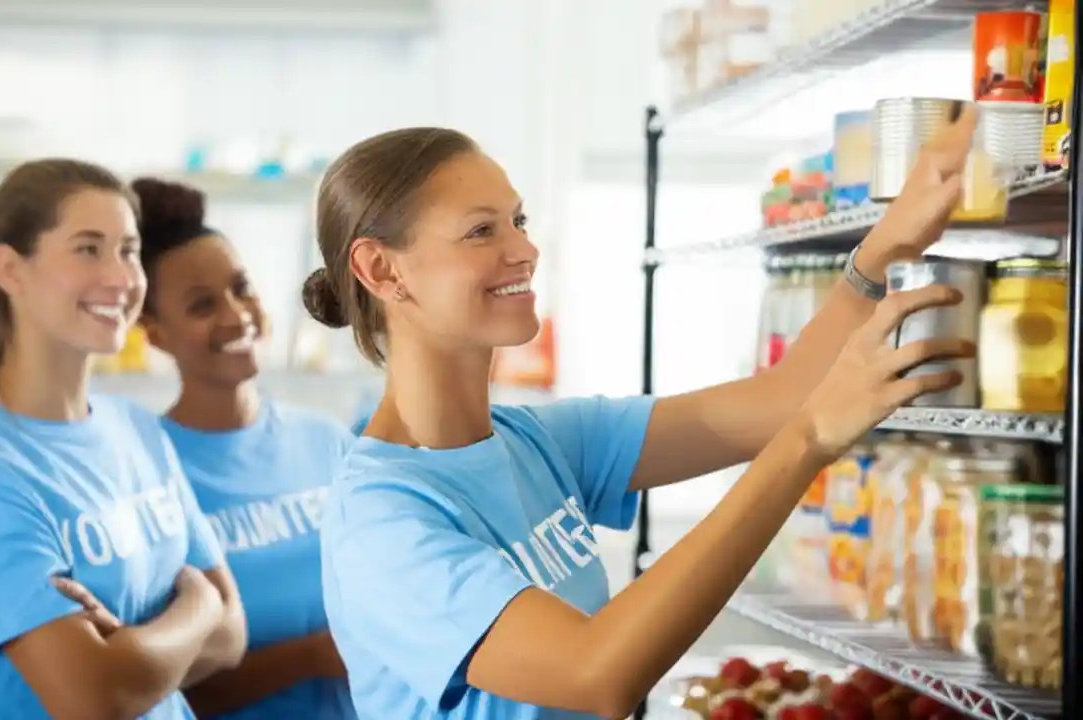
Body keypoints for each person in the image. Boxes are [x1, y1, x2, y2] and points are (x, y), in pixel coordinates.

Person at [303, 108, 980, 720]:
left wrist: (884, 247)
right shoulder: (382, 522)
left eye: (520, 221)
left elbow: (784, 398)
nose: (525, 249)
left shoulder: (539, 441)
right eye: (482, 230)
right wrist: (806, 444)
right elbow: (596, 673)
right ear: (383, 271)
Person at [0, 159, 248, 720]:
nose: (121, 278)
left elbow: (233, 636)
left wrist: (129, 650)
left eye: (128, 250)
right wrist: (196, 604)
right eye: (88, 249)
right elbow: (93, 698)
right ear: (10, 269)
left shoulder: (137, 429)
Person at [130, 176, 356, 720]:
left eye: (241, 286)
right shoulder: (149, 476)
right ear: (155, 332)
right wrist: (310, 657)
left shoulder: (327, 442)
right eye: (202, 305)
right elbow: (159, 686)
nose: (236, 314)